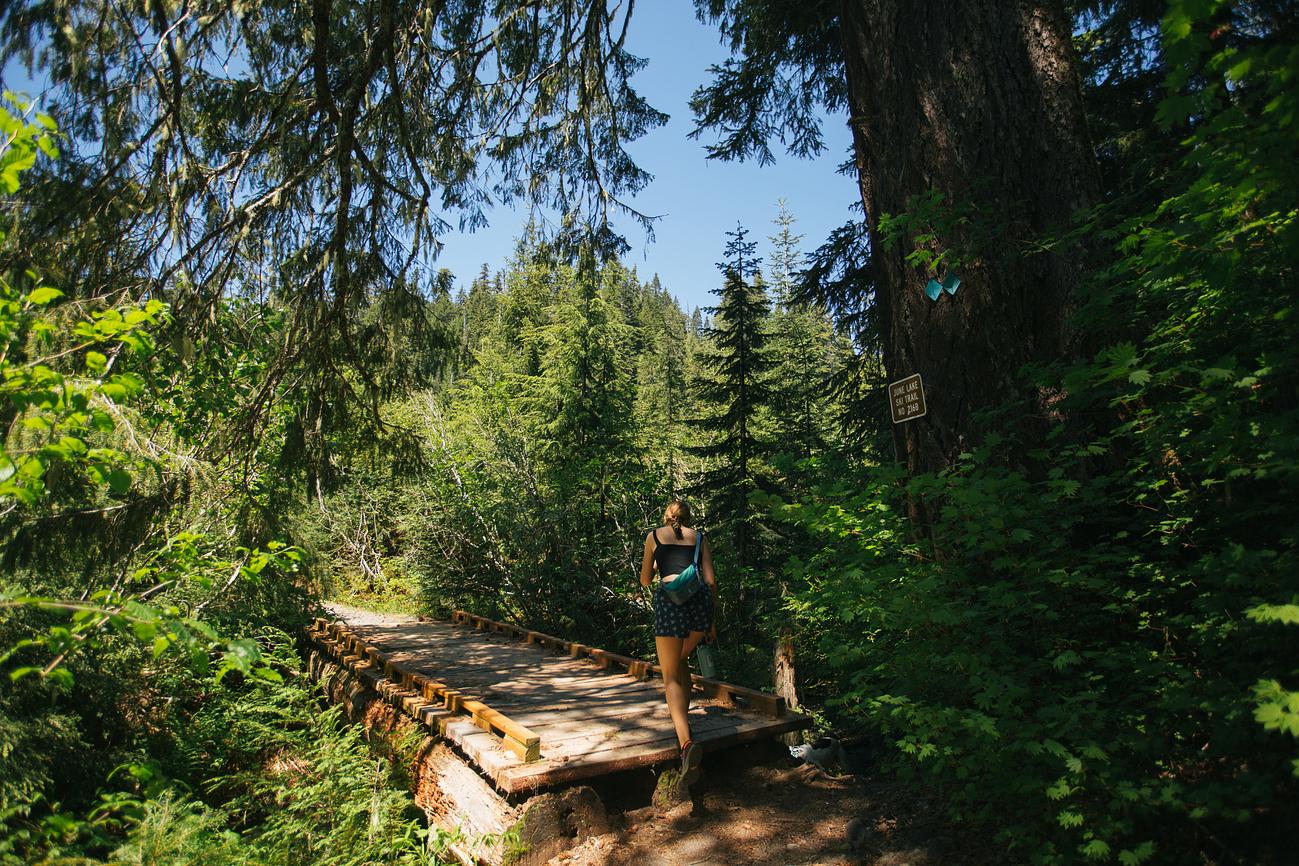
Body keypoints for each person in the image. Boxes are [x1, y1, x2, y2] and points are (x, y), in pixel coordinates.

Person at [639, 499, 717, 779]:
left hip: (670, 603)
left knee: (670, 674)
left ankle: (685, 743)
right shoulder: (700, 538)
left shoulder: (654, 536)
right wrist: (711, 622)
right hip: (699, 605)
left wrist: (660, 566)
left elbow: (646, 580)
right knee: (681, 660)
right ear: (688, 517)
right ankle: (683, 722)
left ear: (666, 517)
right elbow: (710, 581)